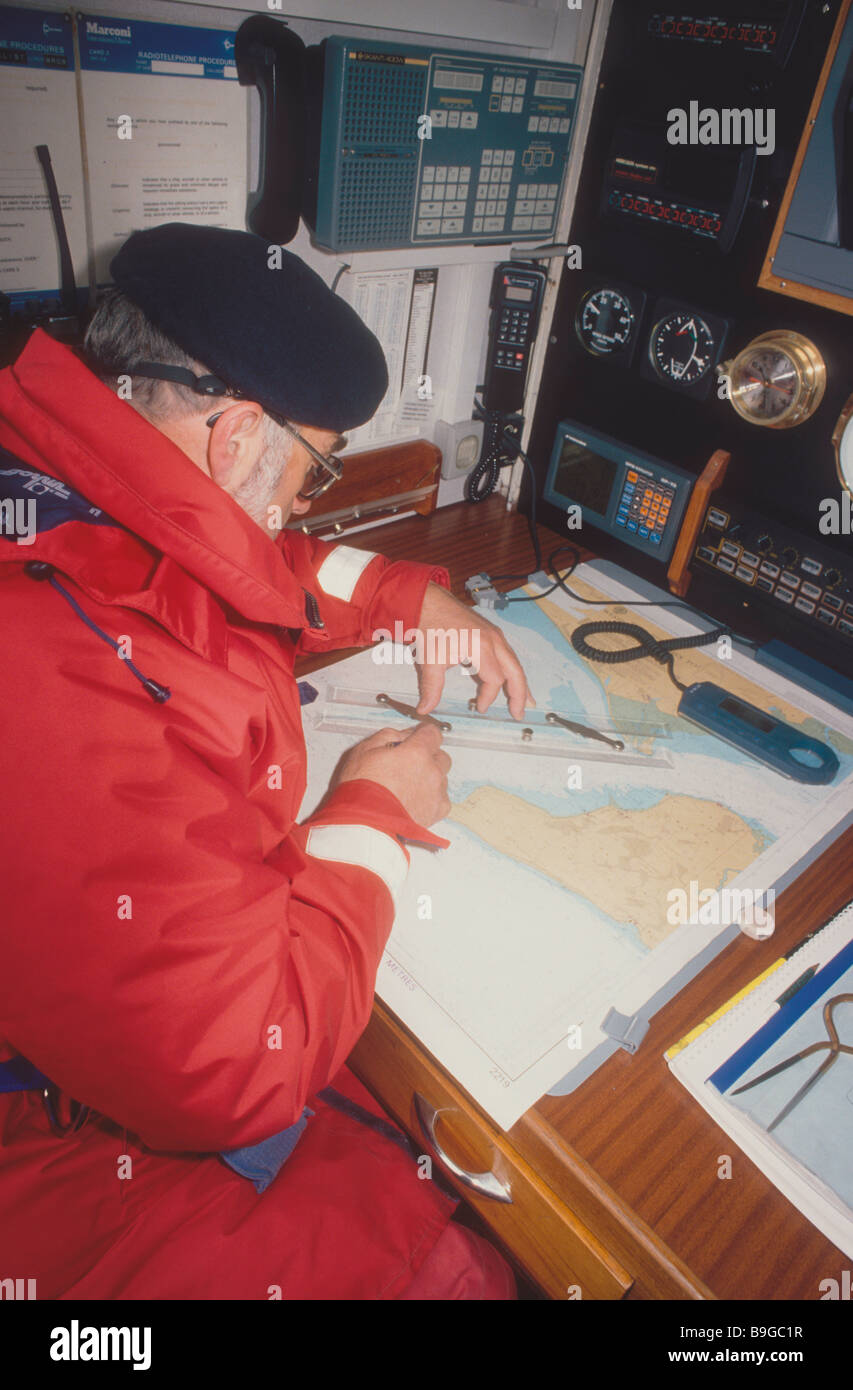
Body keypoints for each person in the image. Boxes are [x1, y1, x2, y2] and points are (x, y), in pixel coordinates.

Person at [0, 223, 533, 1300]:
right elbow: (245, 1068)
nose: (308, 503)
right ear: (237, 434)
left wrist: (401, 593)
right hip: (59, 1145)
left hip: (93, 1066)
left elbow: (251, 557)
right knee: (465, 1264)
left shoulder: (76, 476)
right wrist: (371, 815)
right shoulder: (51, 669)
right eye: (315, 468)